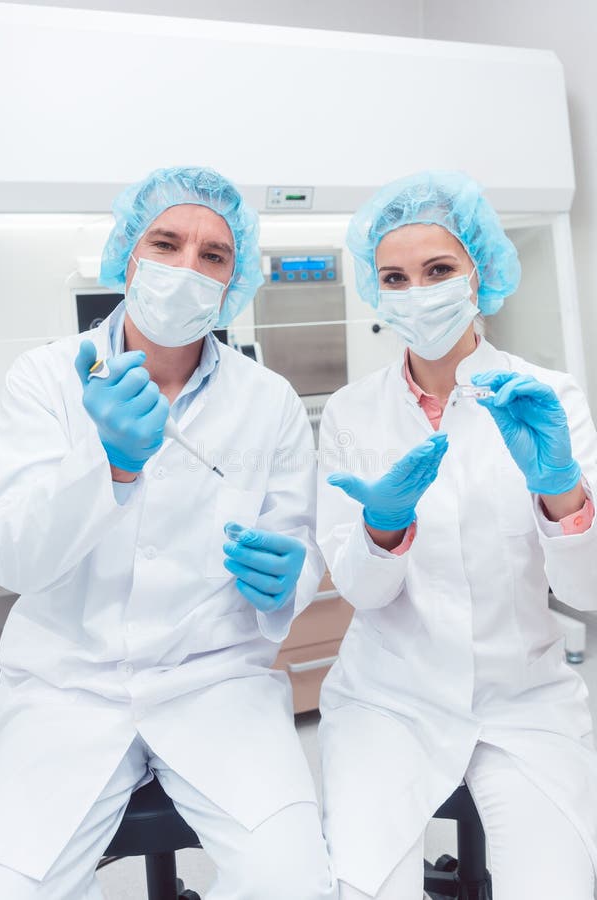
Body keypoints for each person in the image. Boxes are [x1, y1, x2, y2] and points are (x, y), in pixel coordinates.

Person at [0, 166, 336, 900]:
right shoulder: (44, 379)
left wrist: (293, 573)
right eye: (167, 242)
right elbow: (16, 558)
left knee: (298, 883)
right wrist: (109, 466)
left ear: (233, 278)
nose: (187, 268)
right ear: (128, 255)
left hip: (215, 679)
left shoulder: (267, 398)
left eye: (213, 255)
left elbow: (298, 540)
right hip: (67, 688)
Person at [317, 170, 597, 899]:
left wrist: (560, 490)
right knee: (367, 889)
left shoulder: (551, 398)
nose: (419, 291)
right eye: (395, 277)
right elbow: (357, 591)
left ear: (480, 271)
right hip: (388, 698)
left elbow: (587, 589)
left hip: (523, 696)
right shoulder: (351, 414)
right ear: (376, 292)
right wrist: (381, 529)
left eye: (438, 269)